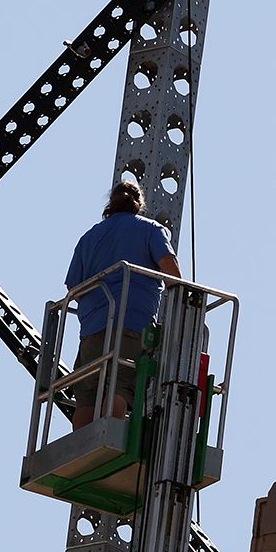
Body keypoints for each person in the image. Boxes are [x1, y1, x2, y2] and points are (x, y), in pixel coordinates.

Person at [64, 181, 181, 428]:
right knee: (122, 382)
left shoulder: (89, 237)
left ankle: (83, 447)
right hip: (132, 322)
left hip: (93, 327)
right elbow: (171, 272)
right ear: (139, 204)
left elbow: (73, 289)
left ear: (110, 204)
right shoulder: (151, 229)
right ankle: (108, 431)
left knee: (88, 393)